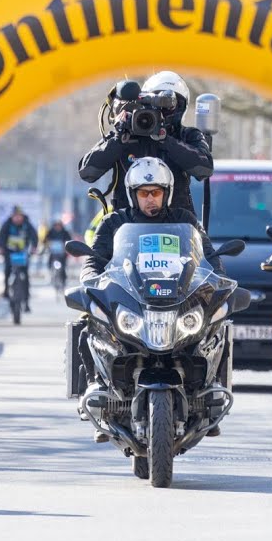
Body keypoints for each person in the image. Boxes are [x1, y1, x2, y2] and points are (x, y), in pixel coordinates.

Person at [80, 157, 225, 440]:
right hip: (133, 300)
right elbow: (95, 260)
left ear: (166, 193)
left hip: (176, 299)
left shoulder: (184, 220)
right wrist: (88, 280)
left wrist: (219, 278)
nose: (150, 199)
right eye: (144, 193)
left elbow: (207, 257)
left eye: (155, 192)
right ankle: (96, 388)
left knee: (216, 324)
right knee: (90, 321)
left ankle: (211, 390)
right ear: (133, 194)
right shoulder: (115, 222)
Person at [78, 71, 214, 215]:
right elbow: (87, 172)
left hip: (177, 226)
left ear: (181, 108)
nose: (163, 112)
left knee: (202, 238)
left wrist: (166, 141)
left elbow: (204, 170)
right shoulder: (125, 134)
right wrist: (118, 140)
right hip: (126, 227)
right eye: (158, 105)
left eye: (170, 106)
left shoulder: (187, 135)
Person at [0, 206, 38, 309]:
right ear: (12, 216)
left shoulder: (27, 224)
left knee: (25, 276)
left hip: (23, 253)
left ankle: (26, 301)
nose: (18, 218)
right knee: (7, 271)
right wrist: (1, 247)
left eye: (19, 216)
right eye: (15, 216)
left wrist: (34, 247)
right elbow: (1, 236)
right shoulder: (7, 224)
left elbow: (34, 236)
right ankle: (6, 290)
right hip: (9, 252)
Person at [41, 220, 75, 288]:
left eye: (59, 225)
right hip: (53, 253)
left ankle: (63, 280)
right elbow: (44, 240)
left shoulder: (65, 233)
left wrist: (66, 247)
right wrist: (47, 244)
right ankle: (51, 274)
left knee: (63, 267)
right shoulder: (50, 232)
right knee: (49, 263)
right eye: (56, 225)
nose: (57, 227)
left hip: (62, 253)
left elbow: (70, 241)